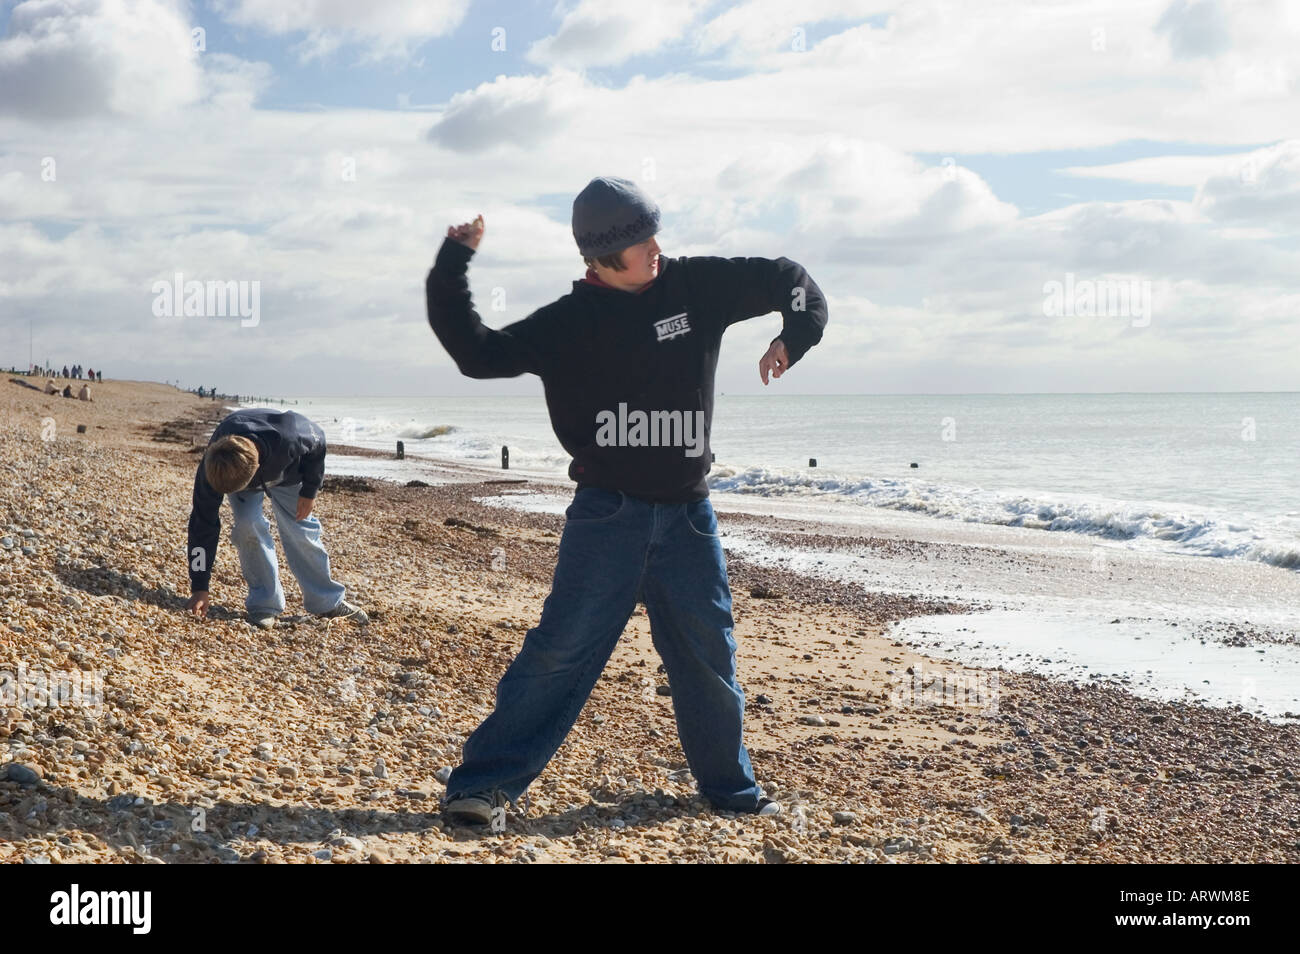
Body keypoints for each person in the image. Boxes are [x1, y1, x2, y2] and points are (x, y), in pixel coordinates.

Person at [427, 177, 827, 826]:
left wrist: (795, 334)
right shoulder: (567, 323)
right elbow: (475, 352)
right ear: (603, 259)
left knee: (710, 657)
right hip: (606, 519)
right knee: (561, 652)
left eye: (655, 234)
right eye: (642, 243)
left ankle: (732, 791)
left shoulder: (694, 286)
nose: (657, 249)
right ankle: (482, 787)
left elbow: (791, 278)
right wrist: (454, 262)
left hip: (688, 520)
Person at [183, 407, 368, 629]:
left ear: (257, 467)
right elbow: (202, 526)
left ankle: (327, 601)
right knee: (247, 526)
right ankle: (264, 604)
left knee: (301, 530)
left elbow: (318, 442)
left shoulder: (289, 436)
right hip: (240, 468)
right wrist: (200, 586)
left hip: (288, 472)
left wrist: (310, 491)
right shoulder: (211, 470)